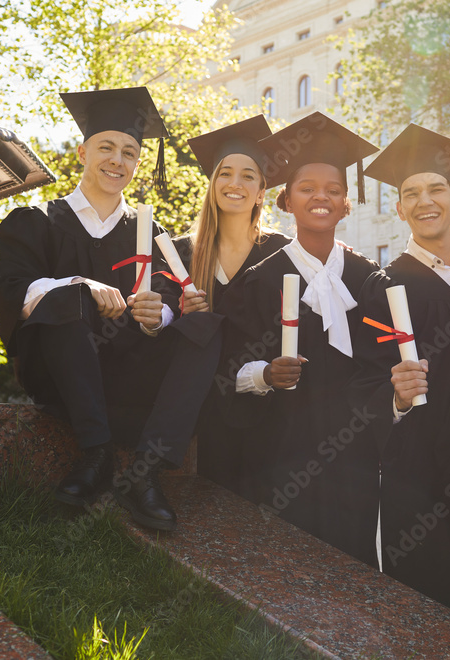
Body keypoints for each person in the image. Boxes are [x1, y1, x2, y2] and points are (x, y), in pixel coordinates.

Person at [0, 87, 223, 532]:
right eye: (107, 148)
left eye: (130, 152)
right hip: (61, 377)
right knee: (67, 296)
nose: (118, 160)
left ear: (137, 163)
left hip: (131, 378)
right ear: (82, 152)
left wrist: (162, 315)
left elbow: (172, 295)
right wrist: (80, 284)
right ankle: (96, 453)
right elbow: (11, 292)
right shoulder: (36, 221)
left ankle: (146, 470)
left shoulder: (152, 234)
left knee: (206, 325)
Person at [353, 124, 450, 613]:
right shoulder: (384, 287)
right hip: (422, 478)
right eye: (411, 193)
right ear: (399, 209)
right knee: (430, 609)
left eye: (436, 189)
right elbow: (363, 386)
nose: (426, 201)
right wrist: (395, 396)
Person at [216, 112, 381, 565]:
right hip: (282, 451)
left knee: (355, 563)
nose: (321, 197)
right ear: (286, 200)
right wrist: (265, 373)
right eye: (307, 188)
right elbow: (231, 369)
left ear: (348, 202)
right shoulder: (261, 279)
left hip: (355, 454)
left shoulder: (369, 279)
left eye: (333, 190)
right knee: (289, 566)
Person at [173, 115, 291, 493]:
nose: (234, 183)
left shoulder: (284, 253)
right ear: (212, 184)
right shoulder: (181, 254)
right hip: (199, 411)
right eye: (225, 173)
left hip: (269, 411)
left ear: (261, 191)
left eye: (248, 176)